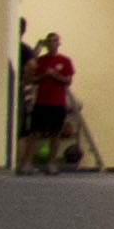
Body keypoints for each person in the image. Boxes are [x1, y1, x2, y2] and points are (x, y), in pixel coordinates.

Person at [19, 34, 74, 174]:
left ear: (59, 43)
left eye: (55, 41)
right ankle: (27, 163)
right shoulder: (40, 61)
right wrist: (44, 76)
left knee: (56, 133)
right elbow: (33, 79)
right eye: (49, 41)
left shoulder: (65, 61)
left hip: (58, 102)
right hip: (41, 102)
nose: (52, 43)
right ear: (46, 44)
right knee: (35, 133)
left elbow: (68, 80)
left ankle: (51, 163)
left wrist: (54, 75)